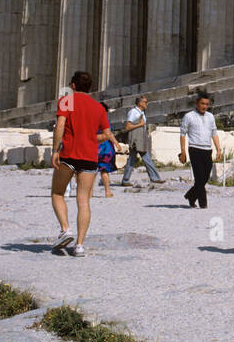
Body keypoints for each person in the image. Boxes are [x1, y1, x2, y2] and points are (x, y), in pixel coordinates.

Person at [50, 71, 116, 258]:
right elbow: (106, 134)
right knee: (84, 200)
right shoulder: (98, 107)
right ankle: (79, 245)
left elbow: (60, 125)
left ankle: (65, 229)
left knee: (57, 193)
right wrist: (89, 138)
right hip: (89, 157)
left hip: (69, 155)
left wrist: (55, 150)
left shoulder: (66, 101)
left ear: (72, 85)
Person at [179, 91, 222, 209]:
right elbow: (183, 134)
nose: (204, 106)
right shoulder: (189, 116)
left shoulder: (210, 116)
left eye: (207, 104)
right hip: (194, 149)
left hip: (207, 150)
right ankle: (203, 204)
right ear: (196, 103)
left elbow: (214, 133)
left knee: (205, 177)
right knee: (199, 177)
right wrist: (183, 151)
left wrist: (218, 149)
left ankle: (191, 195)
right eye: (202, 103)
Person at [120, 94, 163, 185]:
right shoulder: (133, 112)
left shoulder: (141, 113)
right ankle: (154, 178)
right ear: (140, 103)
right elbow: (127, 127)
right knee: (144, 158)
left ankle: (125, 180)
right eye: (145, 102)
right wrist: (140, 124)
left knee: (135, 159)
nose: (147, 104)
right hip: (136, 140)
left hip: (141, 139)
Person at [96, 102, 117, 198]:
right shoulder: (105, 121)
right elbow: (109, 134)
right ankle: (107, 191)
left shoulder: (92, 120)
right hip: (106, 148)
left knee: (91, 171)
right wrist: (116, 143)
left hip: (94, 146)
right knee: (104, 170)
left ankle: (90, 192)